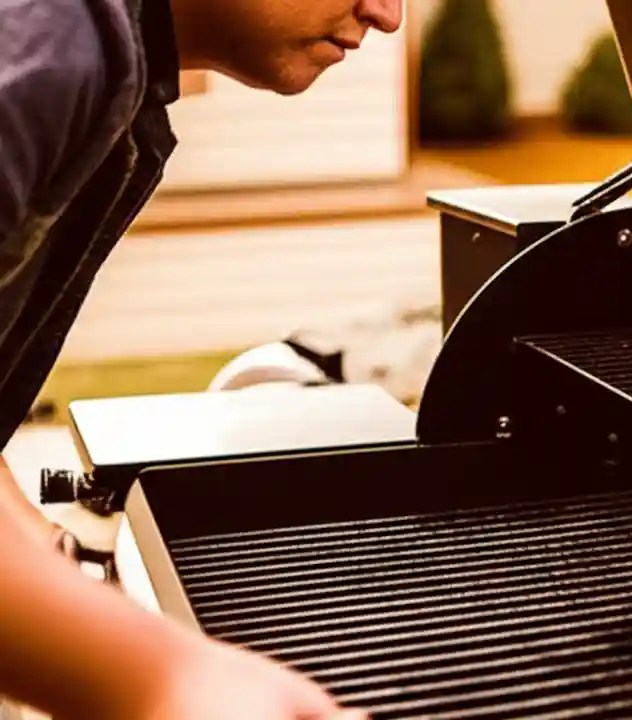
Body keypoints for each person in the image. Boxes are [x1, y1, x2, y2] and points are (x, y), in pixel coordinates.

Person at [0, 0, 401, 717]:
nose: (387, 14)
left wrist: (36, 553)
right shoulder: (54, 43)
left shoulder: (99, 61)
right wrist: (160, 680)